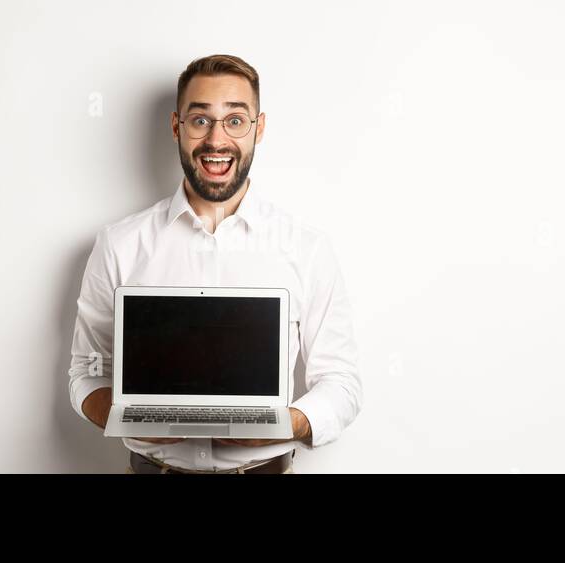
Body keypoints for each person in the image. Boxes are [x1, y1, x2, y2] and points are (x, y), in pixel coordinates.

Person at [68, 54, 362, 474]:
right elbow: (87, 371)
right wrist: (124, 415)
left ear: (258, 129)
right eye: (200, 120)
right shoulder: (119, 245)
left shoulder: (306, 248)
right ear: (177, 128)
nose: (216, 140)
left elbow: (342, 384)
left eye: (235, 120)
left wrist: (282, 425)